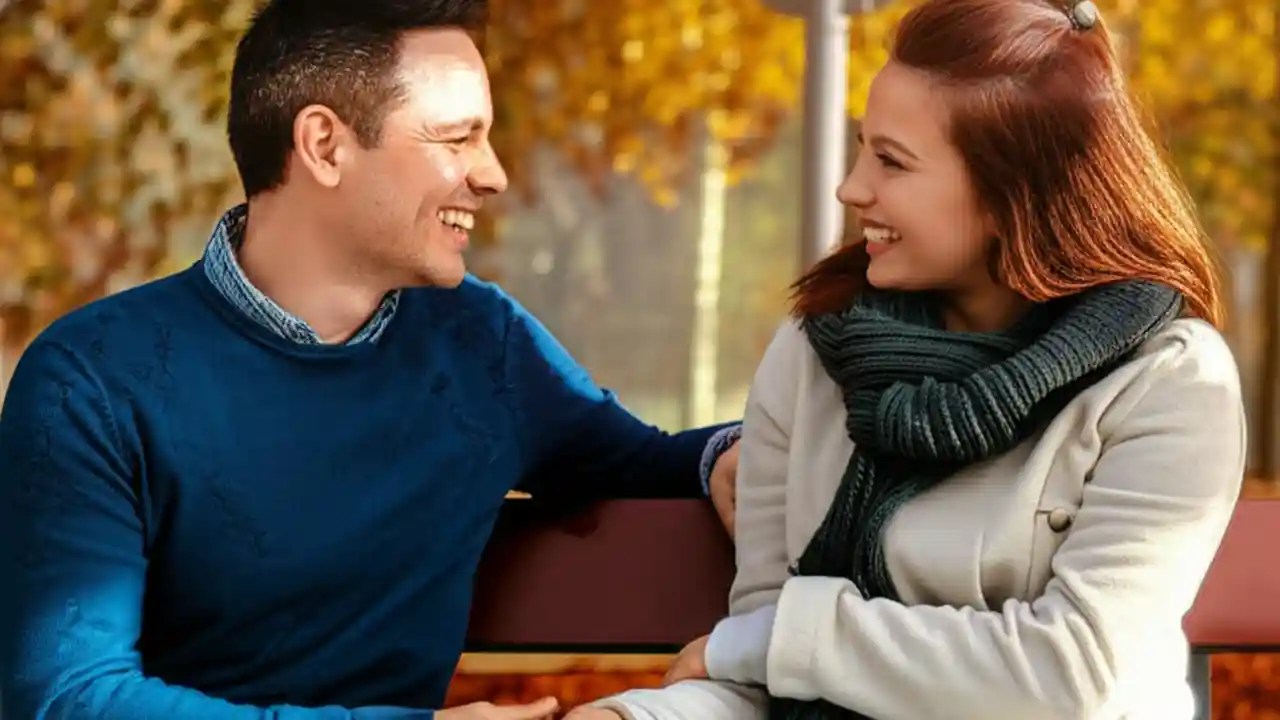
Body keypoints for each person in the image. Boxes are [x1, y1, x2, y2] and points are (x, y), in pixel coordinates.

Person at [0, 1, 741, 718]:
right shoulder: (92, 380)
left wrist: (730, 453)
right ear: (324, 146)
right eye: (457, 139)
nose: (492, 175)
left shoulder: (479, 347)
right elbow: (69, 699)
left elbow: (645, 461)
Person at [569, 0, 1246, 718]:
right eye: (863, 148)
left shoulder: (1168, 383)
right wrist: (637, 715)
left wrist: (781, 642)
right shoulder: (815, 351)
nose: (852, 187)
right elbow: (757, 682)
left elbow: (1073, 675)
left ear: (1012, 194)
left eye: (891, 161)